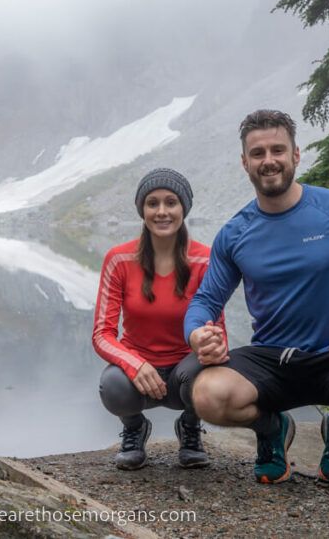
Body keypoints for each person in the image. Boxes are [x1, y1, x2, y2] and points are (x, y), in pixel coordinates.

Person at [184, 109, 329, 484]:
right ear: (245, 162)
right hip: (272, 358)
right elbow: (205, 301)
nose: (269, 161)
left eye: (278, 150)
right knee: (208, 397)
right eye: (258, 153)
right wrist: (197, 333)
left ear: (296, 155)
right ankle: (271, 430)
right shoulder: (235, 233)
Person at [92, 168, 221, 470]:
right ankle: (134, 427)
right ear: (142, 210)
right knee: (113, 385)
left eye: (171, 202)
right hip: (138, 369)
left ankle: (190, 426)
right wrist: (133, 363)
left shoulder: (205, 259)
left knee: (208, 375)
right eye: (152, 203)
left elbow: (217, 330)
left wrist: (212, 347)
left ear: (183, 208)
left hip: (184, 371)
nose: (162, 211)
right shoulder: (119, 259)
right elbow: (102, 333)